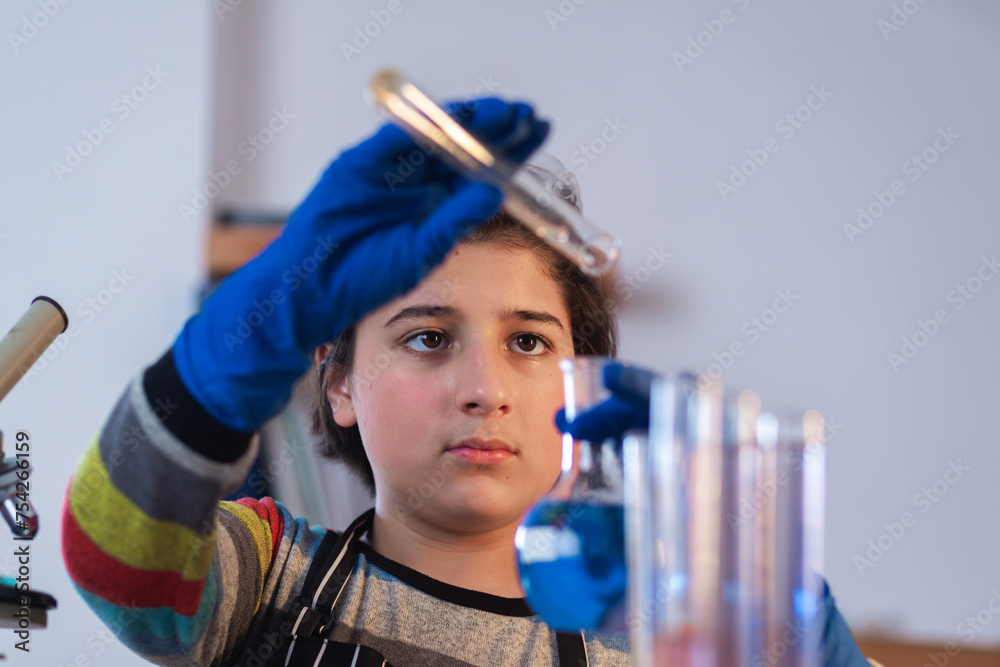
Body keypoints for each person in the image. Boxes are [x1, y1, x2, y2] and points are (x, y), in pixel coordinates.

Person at [61, 96, 871, 666]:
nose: (485, 388)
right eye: (427, 337)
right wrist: (246, 334)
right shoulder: (267, 569)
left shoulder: (662, 640)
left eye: (528, 341)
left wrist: (774, 602)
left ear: (580, 385)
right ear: (339, 384)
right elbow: (116, 565)